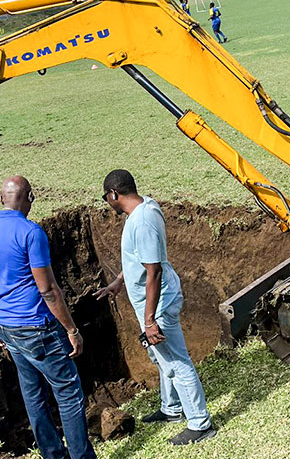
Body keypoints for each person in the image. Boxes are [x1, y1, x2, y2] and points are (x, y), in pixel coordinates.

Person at [0, 177, 97, 459]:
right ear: (30, 197)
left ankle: (52, 455)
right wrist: (71, 329)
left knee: (33, 395)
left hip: (6, 327)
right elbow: (48, 290)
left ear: (1, 197)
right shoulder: (31, 233)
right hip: (37, 327)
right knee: (67, 392)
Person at [95, 170, 216, 446]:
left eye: (106, 198)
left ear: (114, 194)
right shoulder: (144, 208)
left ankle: (200, 424)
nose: (107, 203)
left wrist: (150, 321)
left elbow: (154, 271)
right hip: (150, 302)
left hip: (158, 302)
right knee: (160, 357)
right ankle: (171, 408)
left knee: (175, 360)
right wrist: (117, 282)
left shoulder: (143, 222)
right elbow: (140, 258)